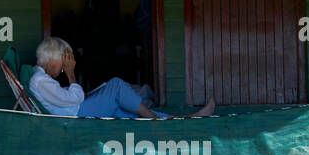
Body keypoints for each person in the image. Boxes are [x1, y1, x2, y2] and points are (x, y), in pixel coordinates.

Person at [29, 37, 215, 119]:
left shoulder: (42, 79)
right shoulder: (40, 80)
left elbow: (70, 98)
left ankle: (183, 118)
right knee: (116, 85)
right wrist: (70, 74)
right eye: (63, 61)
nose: (63, 67)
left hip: (77, 111)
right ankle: (156, 120)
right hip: (76, 115)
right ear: (52, 58)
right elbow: (75, 99)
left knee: (124, 108)